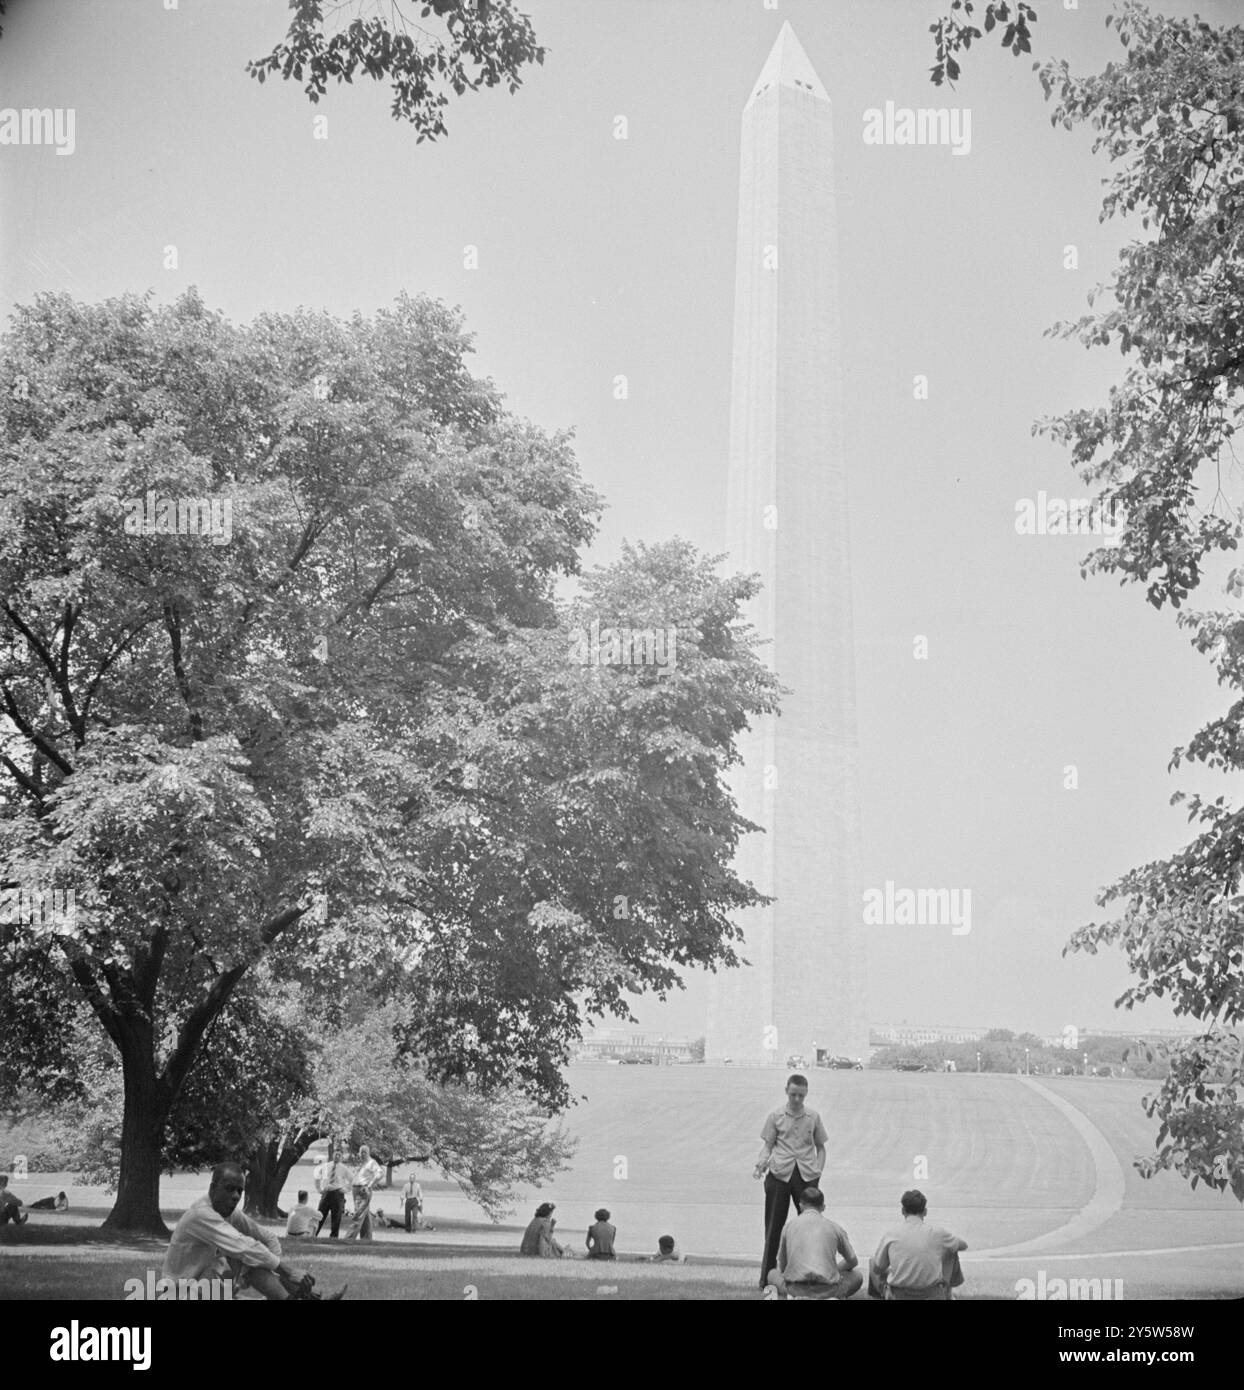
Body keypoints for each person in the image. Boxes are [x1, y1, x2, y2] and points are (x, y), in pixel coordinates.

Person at [164, 1162, 342, 1300]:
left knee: (255, 1260)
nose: (235, 1196)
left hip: (208, 1289)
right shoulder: (201, 1214)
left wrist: (278, 1269)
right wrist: (287, 1271)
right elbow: (243, 1245)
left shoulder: (231, 1214)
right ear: (212, 1188)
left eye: (239, 1191)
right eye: (229, 1189)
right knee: (249, 1256)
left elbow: (268, 1238)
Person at [754, 1072, 828, 1288]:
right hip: (779, 1175)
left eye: (801, 1096)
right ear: (786, 1091)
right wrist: (761, 1162)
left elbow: (821, 1147)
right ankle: (766, 1281)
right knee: (773, 1229)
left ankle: (811, 1277)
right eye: (794, 1094)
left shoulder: (813, 1117)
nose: (797, 1099)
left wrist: (818, 1171)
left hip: (806, 1176)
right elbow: (768, 1145)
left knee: (810, 1229)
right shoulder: (775, 1116)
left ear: (806, 1095)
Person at [765, 1186, 862, 1300]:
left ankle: (794, 1297)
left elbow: (782, 1266)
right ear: (823, 1207)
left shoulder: (789, 1227)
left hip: (795, 1289)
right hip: (828, 1290)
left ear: (800, 1206)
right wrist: (834, 1270)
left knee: (772, 1274)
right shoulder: (834, 1228)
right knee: (857, 1276)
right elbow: (852, 1261)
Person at [869, 1189, 968, 1301]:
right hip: (932, 1295)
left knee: (872, 1261)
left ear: (903, 1211)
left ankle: (881, 1296)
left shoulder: (891, 1234)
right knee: (951, 1249)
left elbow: (877, 1268)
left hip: (899, 1296)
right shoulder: (937, 1233)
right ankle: (948, 1294)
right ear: (925, 1211)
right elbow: (963, 1245)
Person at [343, 1145, 384, 1241]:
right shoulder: (363, 1163)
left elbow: (380, 1173)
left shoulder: (371, 1163)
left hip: (363, 1191)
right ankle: (367, 1239)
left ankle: (348, 1239)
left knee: (358, 1214)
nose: (362, 1154)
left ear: (368, 1152)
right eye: (361, 1152)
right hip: (357, 1189)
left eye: (364, 1152)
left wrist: (370, 1185)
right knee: (365, 1216)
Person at [315, 1145, 353, 1239]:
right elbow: (317, 1177)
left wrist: (346, 1189)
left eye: (339, 1155)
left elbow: (352, 1179)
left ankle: (333, 1237)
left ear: (341, 1157)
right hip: (327, 1193)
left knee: (336, 1217)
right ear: (333, 1155)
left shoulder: (344, 1168)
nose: (337, 1156)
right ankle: (313, 1234)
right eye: (336, 1154)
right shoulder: (326, 1166)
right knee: (320, 1215)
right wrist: (319, 1189)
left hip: (338, 1193)